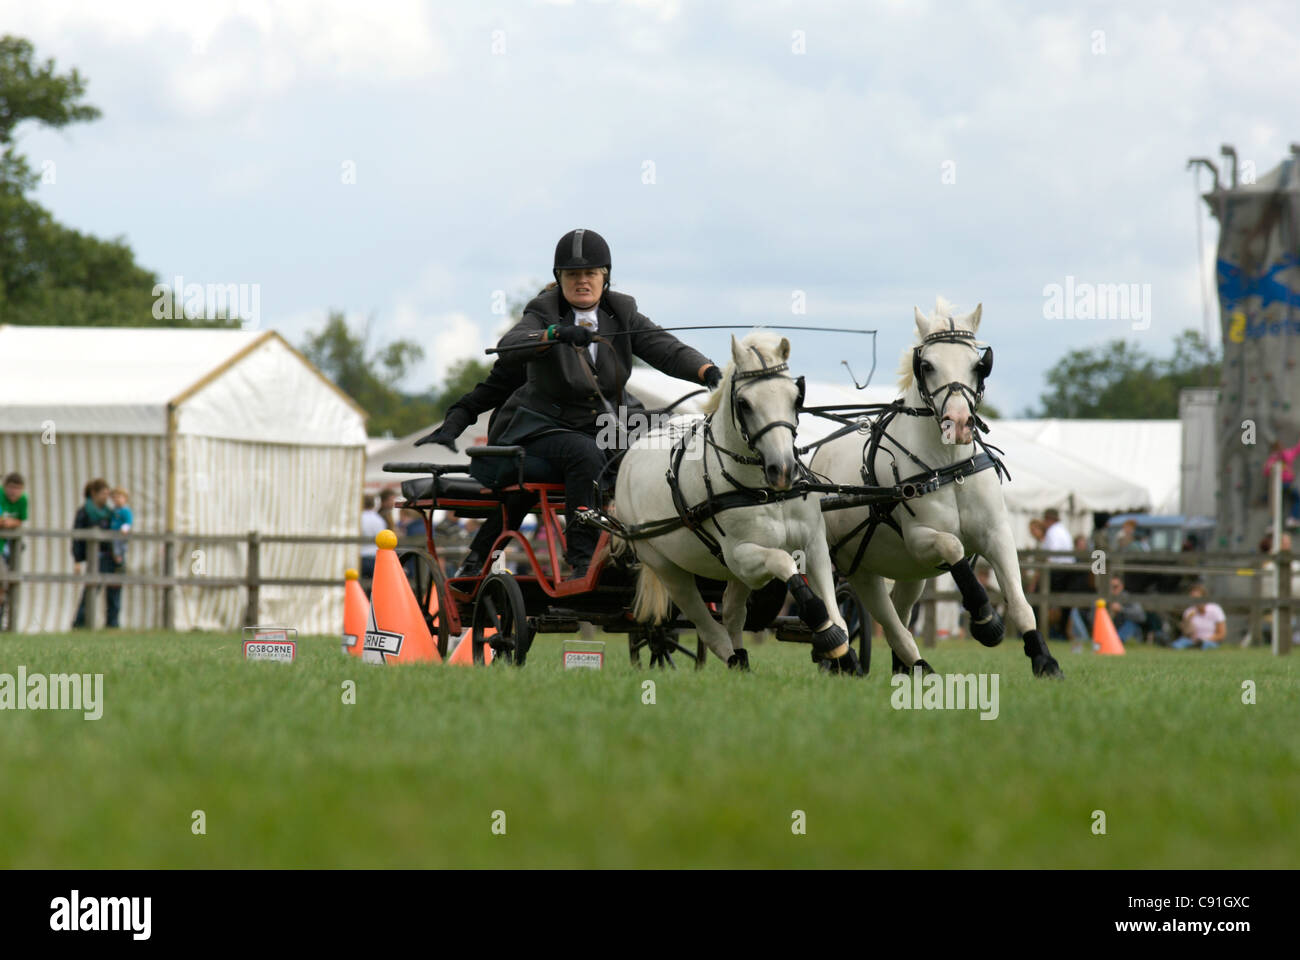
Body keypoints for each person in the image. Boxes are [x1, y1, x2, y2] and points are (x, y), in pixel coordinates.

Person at [462, 228, 720, 579]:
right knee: (584, 453)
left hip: (604, 423)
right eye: (572, 275)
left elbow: (665, 348)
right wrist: (554, 334)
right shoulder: (544, 309)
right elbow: (512, 343)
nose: (582, 281)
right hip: (544, 424)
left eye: (590, 274)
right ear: (560, 278)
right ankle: (582, 559)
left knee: (669, 434)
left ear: (605, 277)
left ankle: (656, 545)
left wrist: (707, 371)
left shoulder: (622, 312)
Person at [72, 479, 121, 629]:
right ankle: (80, 623)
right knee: (91, 591)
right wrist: (78, 560)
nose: (106, 497)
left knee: (114, 591)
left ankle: (112, 624)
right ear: (94, 493)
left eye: (107, 494)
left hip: (110, 556)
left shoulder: (110, 513)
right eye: (103, 493)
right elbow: (77, 538)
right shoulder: (84, 512)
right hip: (95, 558)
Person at [1041, 508, 1074, 638]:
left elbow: (1051, 555)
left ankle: (1044, 631)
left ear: (1049, 520)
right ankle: (1061, 632)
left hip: (1056, 571)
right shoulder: (1063, 530)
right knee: (1062, 603)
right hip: (1068, 571)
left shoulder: (1052, 532)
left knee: (1043, 600)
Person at [0, 472, 27, 615]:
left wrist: (9, 523)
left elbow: (20, 521)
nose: (14, 491)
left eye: (17, 488)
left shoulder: (23, 500)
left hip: (8, 547)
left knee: (7, 582)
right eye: (11, 487)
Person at [1172, 582, 1225, 650]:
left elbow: (1221, 634)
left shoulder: (1215, 610)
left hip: (1210, 641)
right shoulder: (1189, 612)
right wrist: (1187, 621)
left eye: (1197, 598)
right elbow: (1186, 634)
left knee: (1206, 645)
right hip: (1192, 641)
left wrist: (1204, 640)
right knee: (1177, 645)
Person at [1263, 437, 1300, 527]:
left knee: (1277, 504)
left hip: (1276, 485)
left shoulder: (1271, 460)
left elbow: (1266, 472)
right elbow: (1296, 450)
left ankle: (1272, 524)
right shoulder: (1286, 454)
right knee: (1297, 498)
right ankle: (1293, 518)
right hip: (1287, 484)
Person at [359, 494, 386, 593]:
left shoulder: (359, 518)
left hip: (361, 556)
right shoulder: (379, 519)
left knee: (360, 587)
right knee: (375, 587)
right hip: (374, 556)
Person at [109, 487, 133, 571]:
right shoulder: (114, 510)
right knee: (114, 546)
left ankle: (119, 560)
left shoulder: (125, 510)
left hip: (120, 533)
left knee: (119, 546)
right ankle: (117, 558)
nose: (116, 499)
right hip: (113, 534)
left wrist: (125, 527)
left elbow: (128, 520)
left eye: (119, 497)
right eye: (114, 497)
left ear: (125, 499)